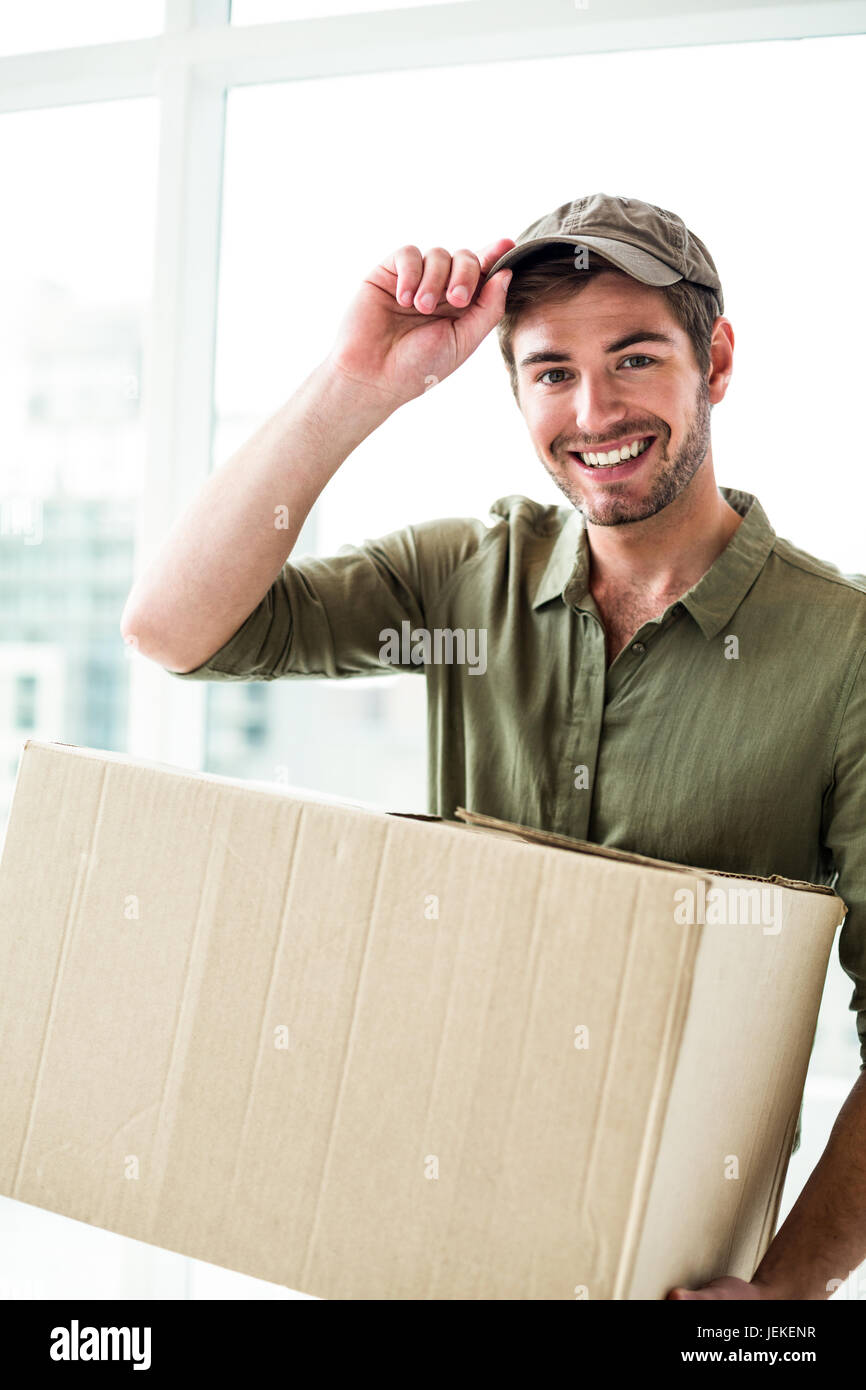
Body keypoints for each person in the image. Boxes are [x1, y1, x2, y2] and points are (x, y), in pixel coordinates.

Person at [121, 193, 866, 1302]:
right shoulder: (464, 577)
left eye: (632, 357)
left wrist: (783, 1300)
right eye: (549, 370)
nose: (593, 408)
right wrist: (358, 386)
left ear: (712, 360)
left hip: (667, 1282)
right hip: (421, 1241)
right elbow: (175, 628)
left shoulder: (844, 650)